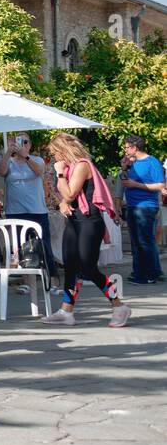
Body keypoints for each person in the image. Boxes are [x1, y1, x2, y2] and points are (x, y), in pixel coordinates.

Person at [41, 133, 132, 327]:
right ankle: (66, 311)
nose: (54, 157)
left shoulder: (82, 165)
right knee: (71, 265)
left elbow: (71, 192)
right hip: (74, 222)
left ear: (63, 151)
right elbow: (66, 197)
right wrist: (63, 203)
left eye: (54, 153)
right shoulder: (70, 169)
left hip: (90, 222)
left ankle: (118, 305)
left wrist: (59, 174)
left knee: (88, 268)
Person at [0, 132, 60, 292]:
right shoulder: (9, 161)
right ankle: (28, 283)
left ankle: (52, 282)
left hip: (36, 211)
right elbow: (1, 172)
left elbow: (39, 172)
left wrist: (25, 157)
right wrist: (8, 153)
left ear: (30, 145)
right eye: (19, 141)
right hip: (15, 212)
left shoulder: (37, 160)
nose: (22, 145)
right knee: (22, 248)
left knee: (44, 246)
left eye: (25, 142)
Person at [119, 135, 164, 284]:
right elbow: (125, 181)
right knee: (136, 242)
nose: (125, 150)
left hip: (146, 207)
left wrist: (136, 185)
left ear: (134, 148)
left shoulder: (152, 162)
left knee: (145, 241)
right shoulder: (131, 163)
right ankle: (139, 272)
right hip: (132, 206)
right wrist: (124, 168)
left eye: (126, 147)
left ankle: (149, 275)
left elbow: (161, 185)